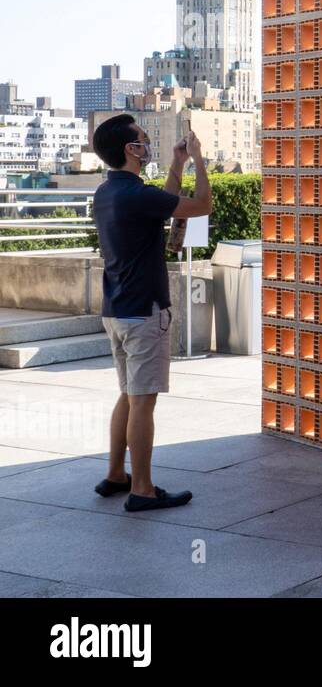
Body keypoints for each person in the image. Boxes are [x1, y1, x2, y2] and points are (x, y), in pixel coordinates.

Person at [90, 115, 212, 511]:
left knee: (127, 394)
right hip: (145, 312)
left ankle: (115, 475)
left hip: (117, 309)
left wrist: (178, 164)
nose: (147, 144)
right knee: (143, 401)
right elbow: (201, 205)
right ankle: (141, 489)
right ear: (130, 149)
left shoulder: (109, 192)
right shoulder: (137, 195)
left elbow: (163, 203)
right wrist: (199, 160)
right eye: (142, 140)